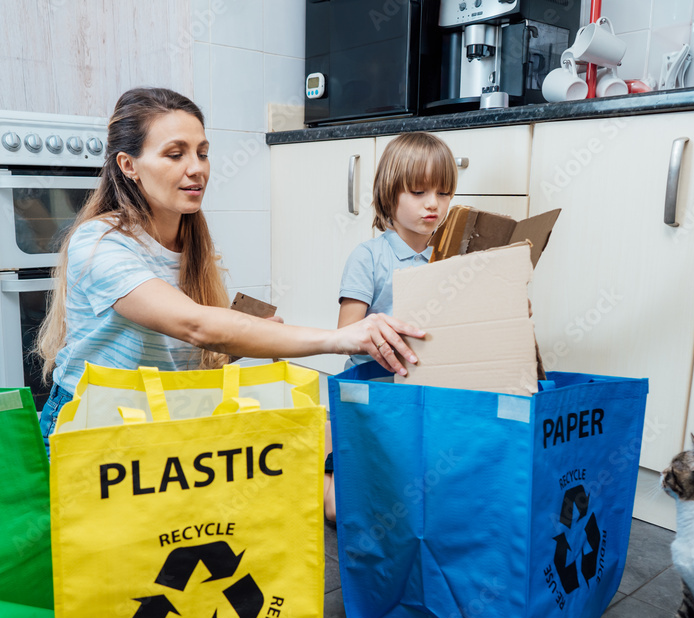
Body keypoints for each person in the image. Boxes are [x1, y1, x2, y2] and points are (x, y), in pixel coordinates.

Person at [35, 87, 424, 444]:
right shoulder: (101, 243)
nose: (197, 168)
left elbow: (188, 348)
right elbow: (197, 325)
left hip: (162, 422)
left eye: (202, 153)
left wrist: (244, 339)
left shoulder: (193, 246)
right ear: (128, 165)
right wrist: (340, 337)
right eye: (175, 154)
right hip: (91, 428)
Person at [323, 132, 458, 521]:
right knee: (342, 510)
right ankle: (321, 476)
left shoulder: (452, 254)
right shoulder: (370, 257)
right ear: (389, 194)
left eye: (444, 193)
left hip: (423, 393)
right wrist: (381, 332)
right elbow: (345, 337)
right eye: (418, 191)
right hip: (372, 395)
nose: (433, 204)